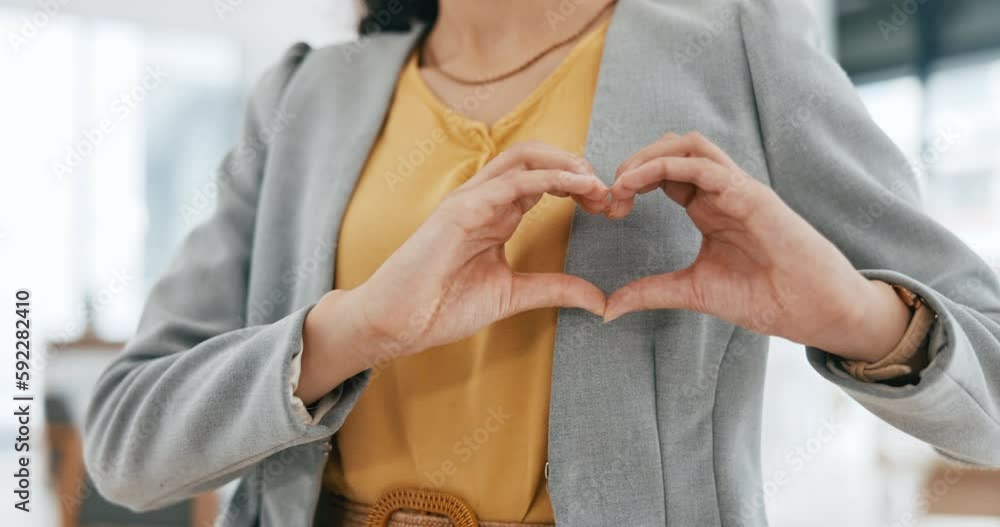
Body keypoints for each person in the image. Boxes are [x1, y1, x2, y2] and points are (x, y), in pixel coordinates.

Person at [84, 0, 1000, 525]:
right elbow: (128, 445)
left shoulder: (736, 52)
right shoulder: (303, 97)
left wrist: (864, 320)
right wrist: (354, 328)